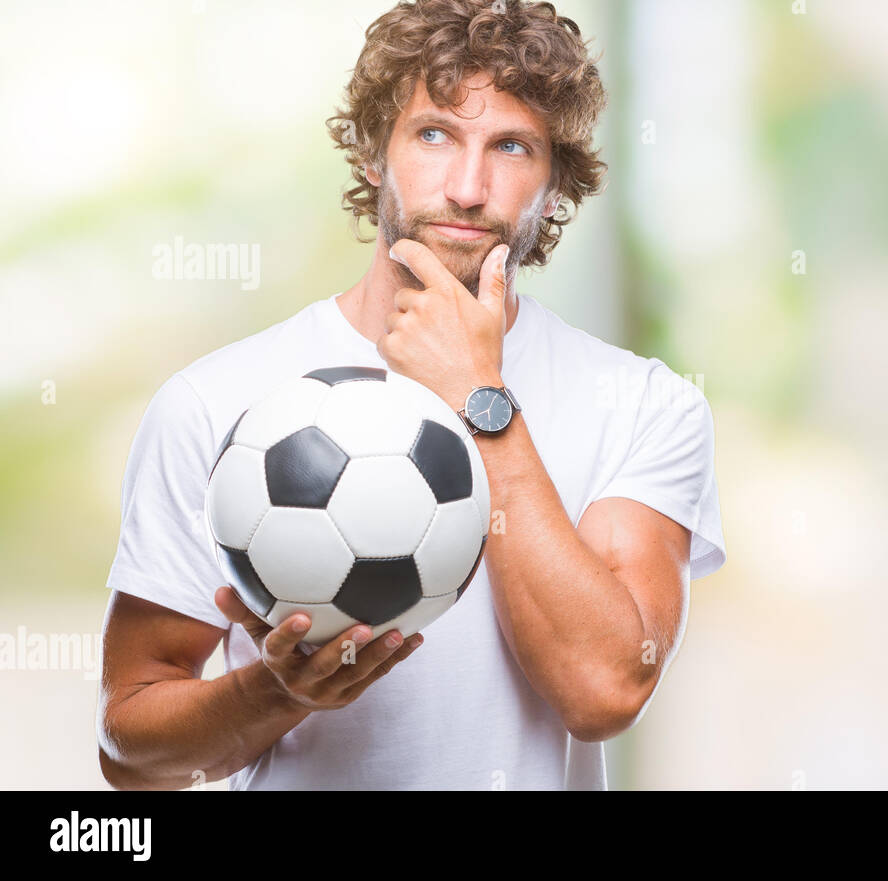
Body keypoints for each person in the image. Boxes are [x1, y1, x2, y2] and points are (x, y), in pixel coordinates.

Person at [97, 0, 725, 791]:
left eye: (511, 146)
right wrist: (273, 689)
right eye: (433, 134)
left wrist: (478, 395)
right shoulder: (214, 402)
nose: (467, 187)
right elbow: (130, 754)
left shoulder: (644, 405)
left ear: (555, 184)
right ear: (373, 155)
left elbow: (605, 690)